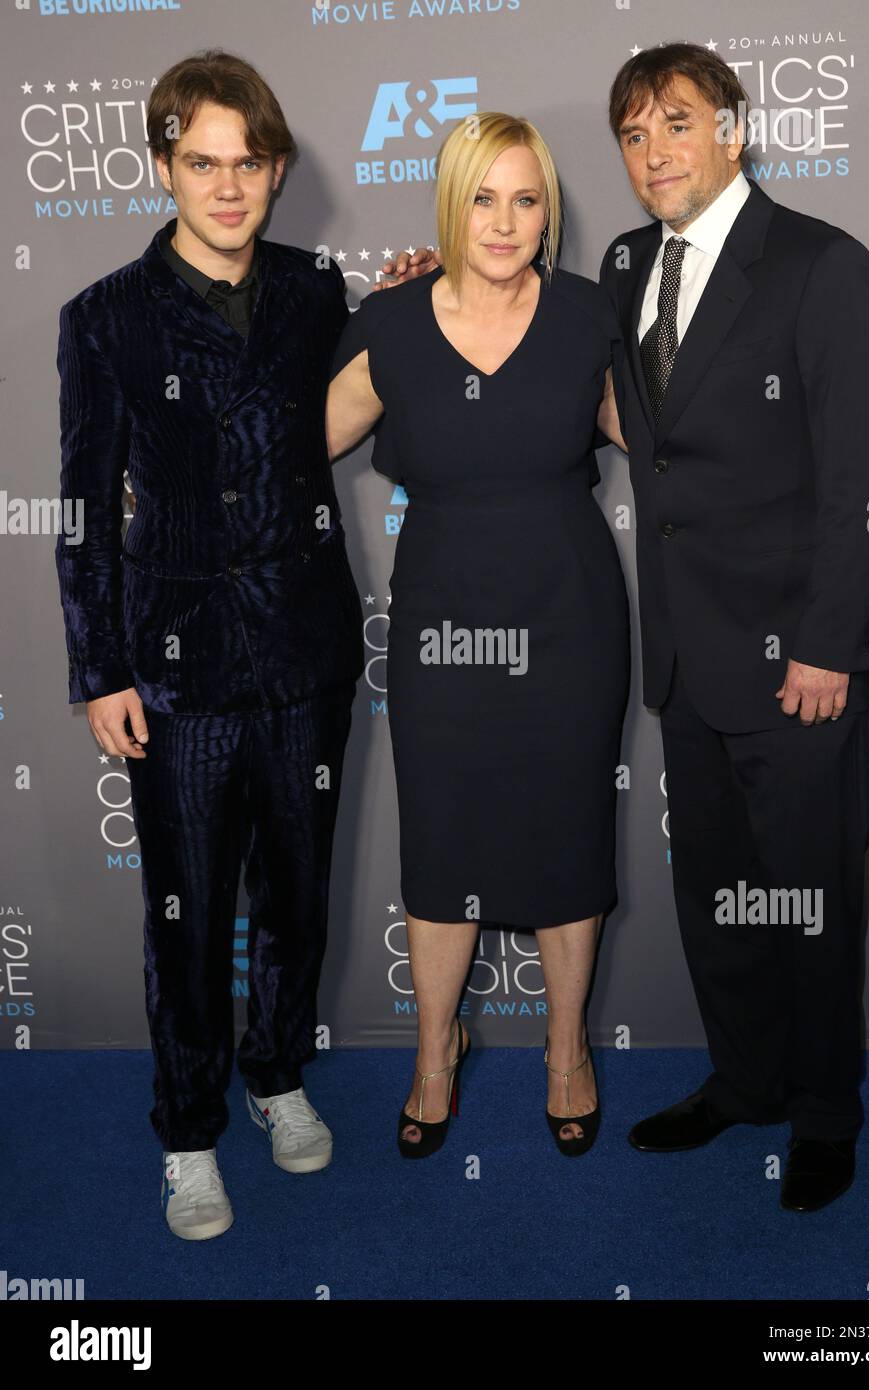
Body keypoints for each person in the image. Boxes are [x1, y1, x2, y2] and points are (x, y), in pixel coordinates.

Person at [388, 44, 869, 1211]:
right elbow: (541, 347)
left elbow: (865, 473)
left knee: (809, 897)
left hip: (795, 658)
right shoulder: (621, 266)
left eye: (678, 122)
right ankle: (747, 1081)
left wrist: (831, 642)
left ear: (733, 127)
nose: (654, 150)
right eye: (632, 133)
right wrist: (426, 280)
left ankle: (824, 1111)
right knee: (719, 894)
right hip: (677, 649)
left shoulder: (822, 264)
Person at [55, 49, 363, 1240]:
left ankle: (277, 1075)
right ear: (164, 166)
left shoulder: (313, 290)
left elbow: (375, 386)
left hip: (305, 652)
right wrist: (100, 669)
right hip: (174, 666)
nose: (227, 187)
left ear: (276, 172)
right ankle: (189, 1131)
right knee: (184, 911)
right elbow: (84, 507)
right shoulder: (105, 318)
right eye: (203, 163)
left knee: (295, 893)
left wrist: (420, 293)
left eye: (249, 164)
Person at [327, 113, 631, 1158]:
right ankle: (432, 1052)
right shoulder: (394, 320)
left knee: (568, 825)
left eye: (527, 198)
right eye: (484, 198)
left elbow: (676, 438)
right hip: (441, 627)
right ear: (451, 204)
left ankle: (566, 1051)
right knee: (443, 834)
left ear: (550, 209)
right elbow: (288, 440)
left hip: (570, 617)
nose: (505, 222)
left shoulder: (593, 316)